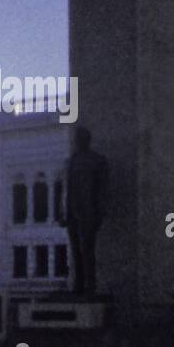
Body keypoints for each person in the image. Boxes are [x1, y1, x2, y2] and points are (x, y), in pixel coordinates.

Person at [62, 127, 108, 297]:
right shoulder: (73, 160)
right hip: (73, 213)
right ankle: (78, 284)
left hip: (89, 213)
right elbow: (68, 188)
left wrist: (100, 213)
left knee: (87, 250)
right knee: (75, 251)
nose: (76, 141)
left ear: (86, 139)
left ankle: (91, 285)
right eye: (76, 138)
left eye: (79, 138)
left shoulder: (98, 161)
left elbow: (103, 189)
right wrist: (65, 212)